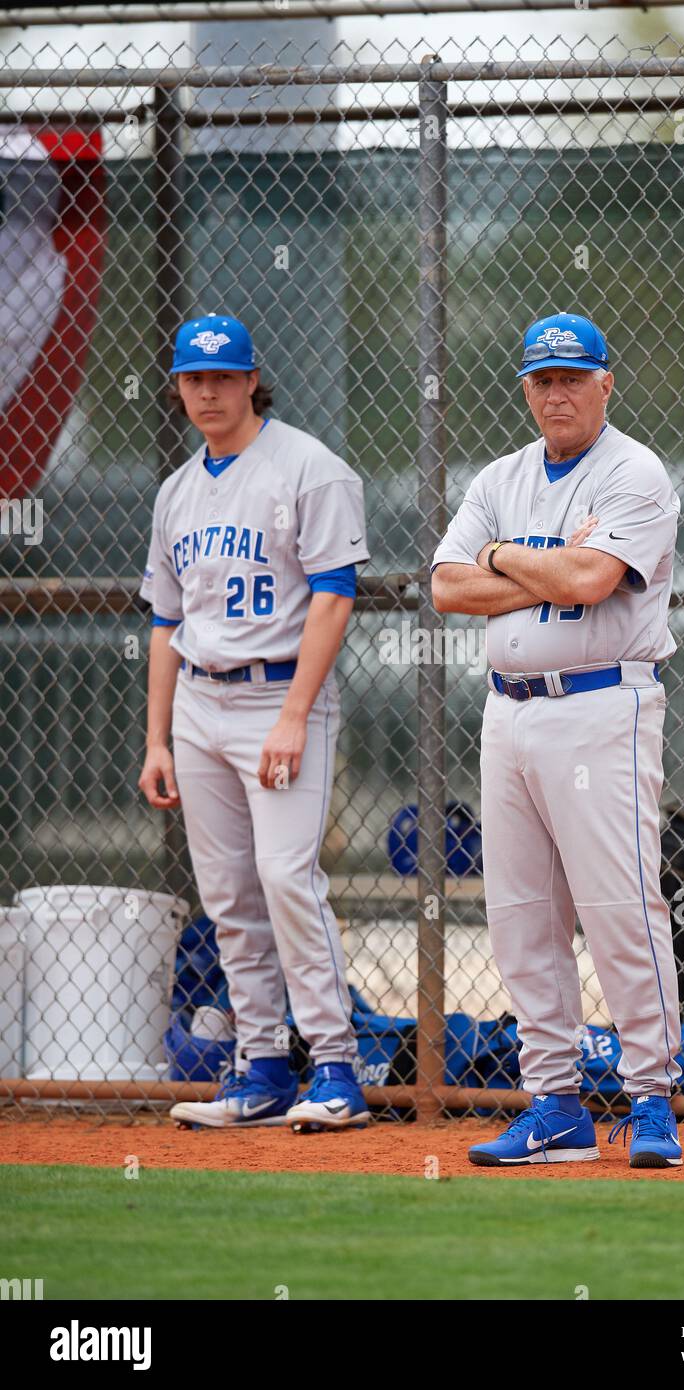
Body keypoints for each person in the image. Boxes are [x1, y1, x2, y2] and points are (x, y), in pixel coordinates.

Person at [431, 312, 683, 1168]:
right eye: (543, 379)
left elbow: (591, 578)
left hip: (603, 705)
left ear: (606, 382)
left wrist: (499, 559)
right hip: (509, 712)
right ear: (527, 390)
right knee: (521, 919)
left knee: (621, 909)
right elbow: (445, 589)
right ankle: (556, 1106)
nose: (558, 392)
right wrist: (525, 561)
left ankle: (652, 1099)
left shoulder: (635, 471)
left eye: (573, 377)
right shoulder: (500, 477)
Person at [138, 313, 372, 1131]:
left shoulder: (309, 468)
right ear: (178, 387)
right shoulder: (176, 492)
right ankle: (263, 1065)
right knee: (229, 894)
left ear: (250, 380)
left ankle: (337, 1066)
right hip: (200, 703)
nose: (207, 391)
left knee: (286, 879)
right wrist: (157, 738)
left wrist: (293, 715)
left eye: (222, 376)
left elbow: (335, 597)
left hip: (280, 696)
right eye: (193, 379)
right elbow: (167, 622)